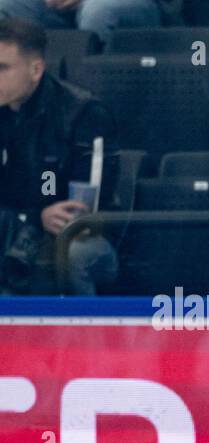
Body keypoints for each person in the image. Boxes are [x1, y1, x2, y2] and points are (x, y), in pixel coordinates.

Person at [0, 16, 119, 296]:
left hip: (83, 238)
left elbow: (87, 212)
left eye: (2, 68)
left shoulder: (84, 114)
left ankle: (86, 334)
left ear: (36, 69)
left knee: (77, 248)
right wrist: (32, 217)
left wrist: (42, 218)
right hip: (14, 225)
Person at [0, 0, 160, 43]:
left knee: (97, 12)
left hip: (123, 5)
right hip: (55, 9)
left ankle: (93, 107)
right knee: (7, 5)